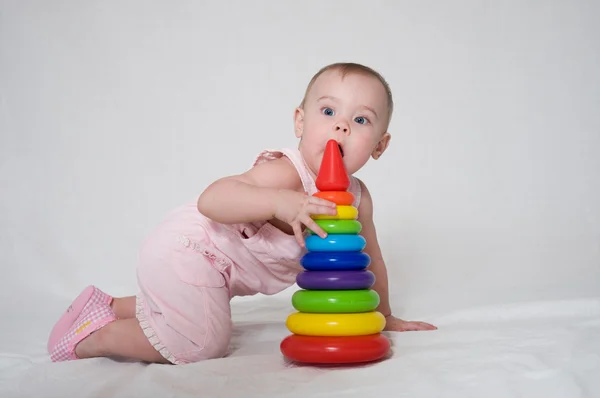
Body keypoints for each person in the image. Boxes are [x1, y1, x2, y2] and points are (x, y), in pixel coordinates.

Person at [47, 62, 437, 365]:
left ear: (380, 146)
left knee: (193, 307)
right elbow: (212, 199)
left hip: (216, 274)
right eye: (328, 110)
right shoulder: (285, 173)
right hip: (189, 250)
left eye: (361, 119)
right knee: (200, 344)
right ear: (300, 121)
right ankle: (89, 339)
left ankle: (109, 305)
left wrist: (383, 316)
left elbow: (372, 260)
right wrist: (280, 202)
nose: (341, 125)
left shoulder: (358, 198)